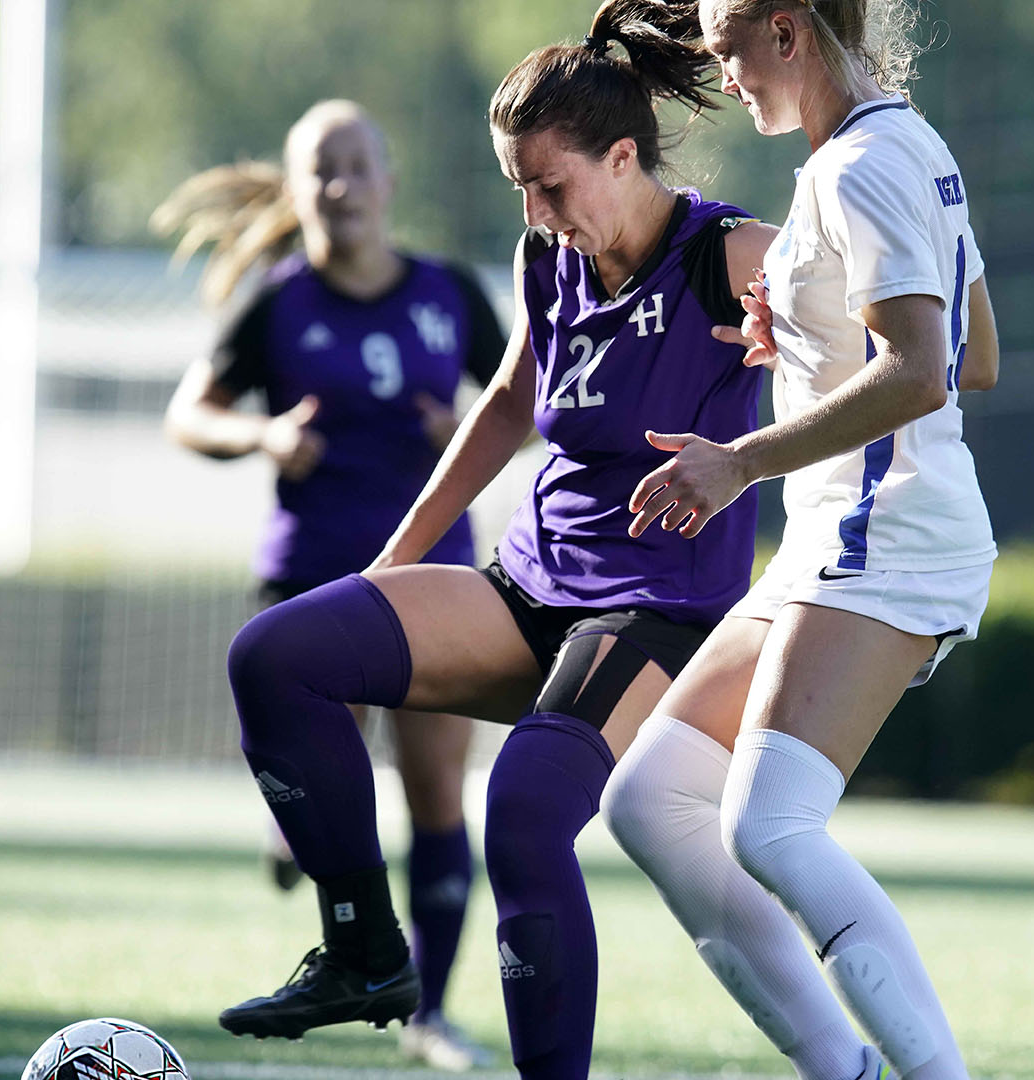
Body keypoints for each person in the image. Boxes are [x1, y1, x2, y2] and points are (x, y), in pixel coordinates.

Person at [212, 3, 779, 1076]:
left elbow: (888, 367)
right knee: (279, 657)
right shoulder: (547, 255)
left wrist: (747, 460)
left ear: (624, 157)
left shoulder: (734, 253)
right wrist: (400, 558)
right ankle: (365, 953)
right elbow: (513, 399)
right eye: (519, 186)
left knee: (520, 812)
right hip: (527, 586)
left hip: (657, 613)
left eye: (551, 184)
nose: (536, 209)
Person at [600, 3, 1002, 1080]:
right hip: (842, 530)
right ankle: (849, 1070)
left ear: (787, 31)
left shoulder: (858, 165)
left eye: (728, 44)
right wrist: (813, 339)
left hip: (890, 534)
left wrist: (738, 462)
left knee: (769, 831)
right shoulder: (900, 140)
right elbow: (979, 352)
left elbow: (922, 370)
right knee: (650, 801)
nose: (720, 71)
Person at [153, 99, 504, 1070]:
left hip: (432, 581)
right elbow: (192, 413)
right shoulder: (278, 302)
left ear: (391, 182)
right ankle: (298, 836)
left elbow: (532, 400)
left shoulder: (447, 294)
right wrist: (262, 436)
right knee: (327, 782)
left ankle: (428, 1013)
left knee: (437, 790)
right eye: (321, 170)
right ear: (298, 190)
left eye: (357, 166)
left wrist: (461, 439)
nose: (341, 186)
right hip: (312, 583)